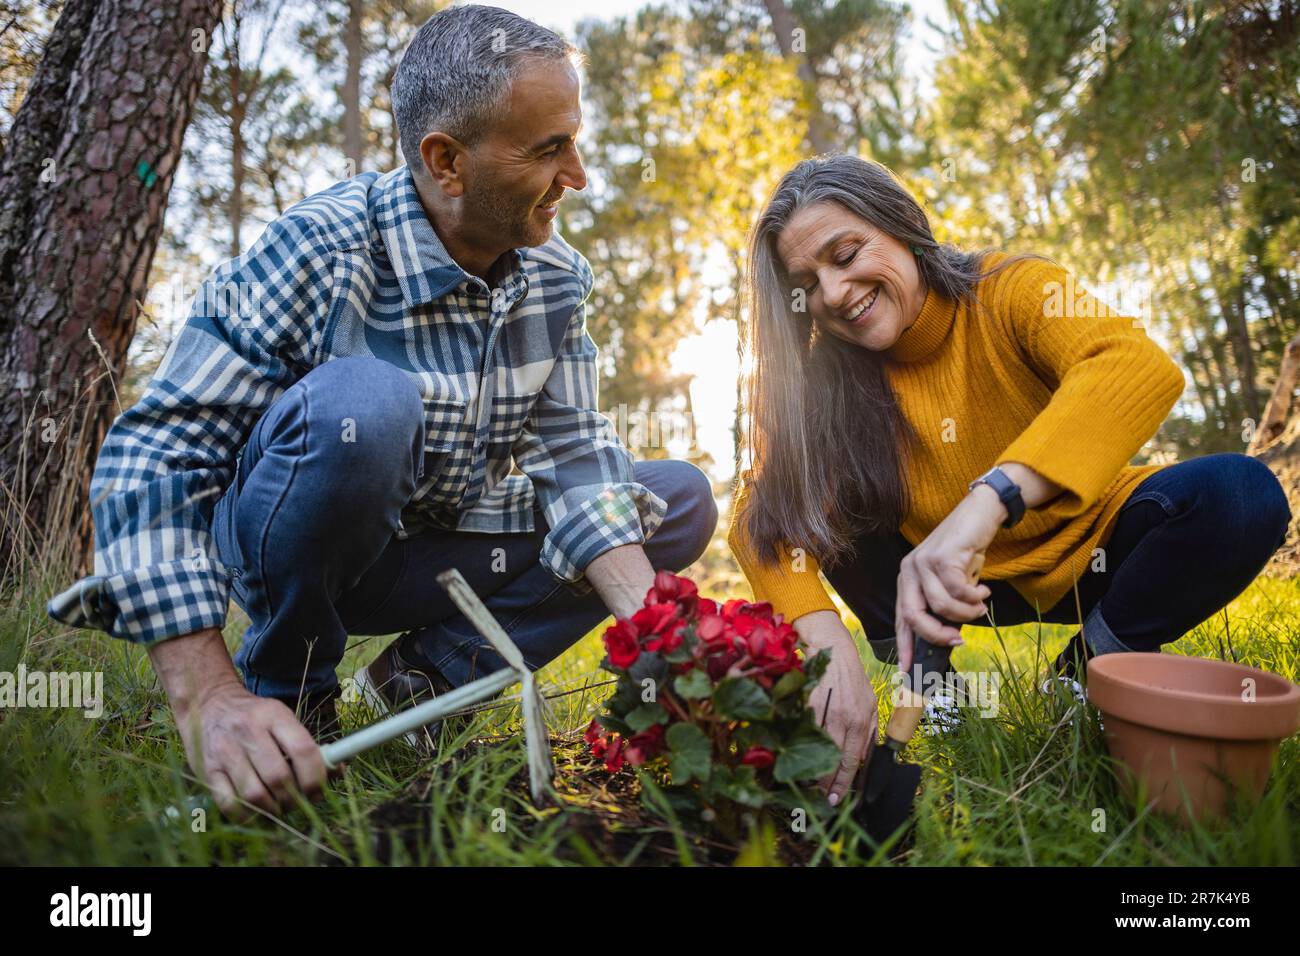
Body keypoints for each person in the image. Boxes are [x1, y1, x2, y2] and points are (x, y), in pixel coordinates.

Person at [47, 5, 717, 818]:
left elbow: (576, 459)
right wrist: (204, 697)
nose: (578, 175)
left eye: (573, 141)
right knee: (366, 403)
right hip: (296, 542)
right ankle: (288, 688)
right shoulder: (322, 248)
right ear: (447, 161)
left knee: (674, 496)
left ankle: (417, 687)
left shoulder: (556, 280)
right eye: (549, 149)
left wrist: (665, 644)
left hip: (443, 549)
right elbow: (158, 453)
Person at [728, 154, 1291, 809]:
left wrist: (989, 500)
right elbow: (758, 516)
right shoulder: (821, 380)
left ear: (903, 225)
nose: (833, 291)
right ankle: (930, 686)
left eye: (847, 253)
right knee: (812, 506)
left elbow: (1135, 366)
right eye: (808, 281)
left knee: (1241, 495)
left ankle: (1083, 678)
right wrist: (824, 643)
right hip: (949, 589)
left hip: (1092, 550)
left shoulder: (1014, 286)